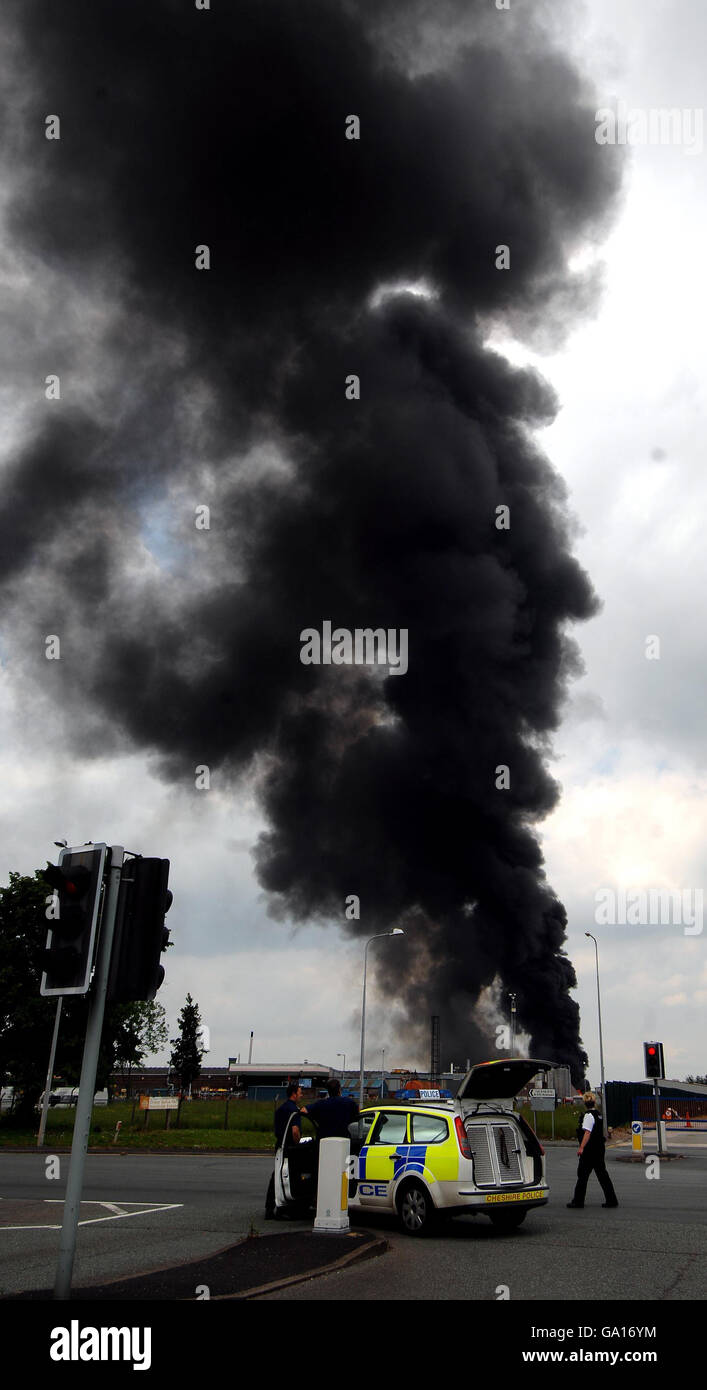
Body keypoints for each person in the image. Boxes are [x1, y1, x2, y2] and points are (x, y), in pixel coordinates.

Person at [567, 1091, 619, 1209]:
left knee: (583, 1175)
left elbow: (587, 1132)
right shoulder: (599, 1114)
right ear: (594, 1102)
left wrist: (581, 1147)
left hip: (590, 1150)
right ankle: (611, 1199)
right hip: (599, 1148)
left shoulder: (588, 1115)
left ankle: (578, 1201)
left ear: (585, 1103)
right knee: (602, 1174)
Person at [265, 1083, 303, 1219]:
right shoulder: (294, 1110)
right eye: (300, 1092)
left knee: (277, 1176)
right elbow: (295, 1131)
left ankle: (269, 1208)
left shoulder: (281, 1109)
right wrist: (298, 1141)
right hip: (290, 1147)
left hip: (280, 1145)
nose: (301, 1094)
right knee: (289, 1177)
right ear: (294, 1093)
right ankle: (285, 1208)